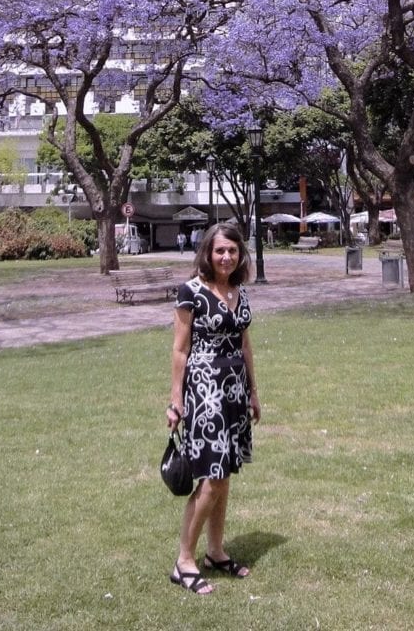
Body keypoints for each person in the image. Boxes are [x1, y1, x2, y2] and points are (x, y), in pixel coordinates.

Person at [167, 223, 261, 595]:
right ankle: (184, 561)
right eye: (220, 250)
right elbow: (180, 350)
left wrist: (253, 392)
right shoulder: (191, 291)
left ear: (240, 255)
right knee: (213, 476)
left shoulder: (240, 292)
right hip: (205, 392)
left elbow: (245, 345)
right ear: (208, 252)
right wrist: (176, 400)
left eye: (232, 251)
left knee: (225, 474)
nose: (226, 257)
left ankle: (216, 552)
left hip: (235, 391)